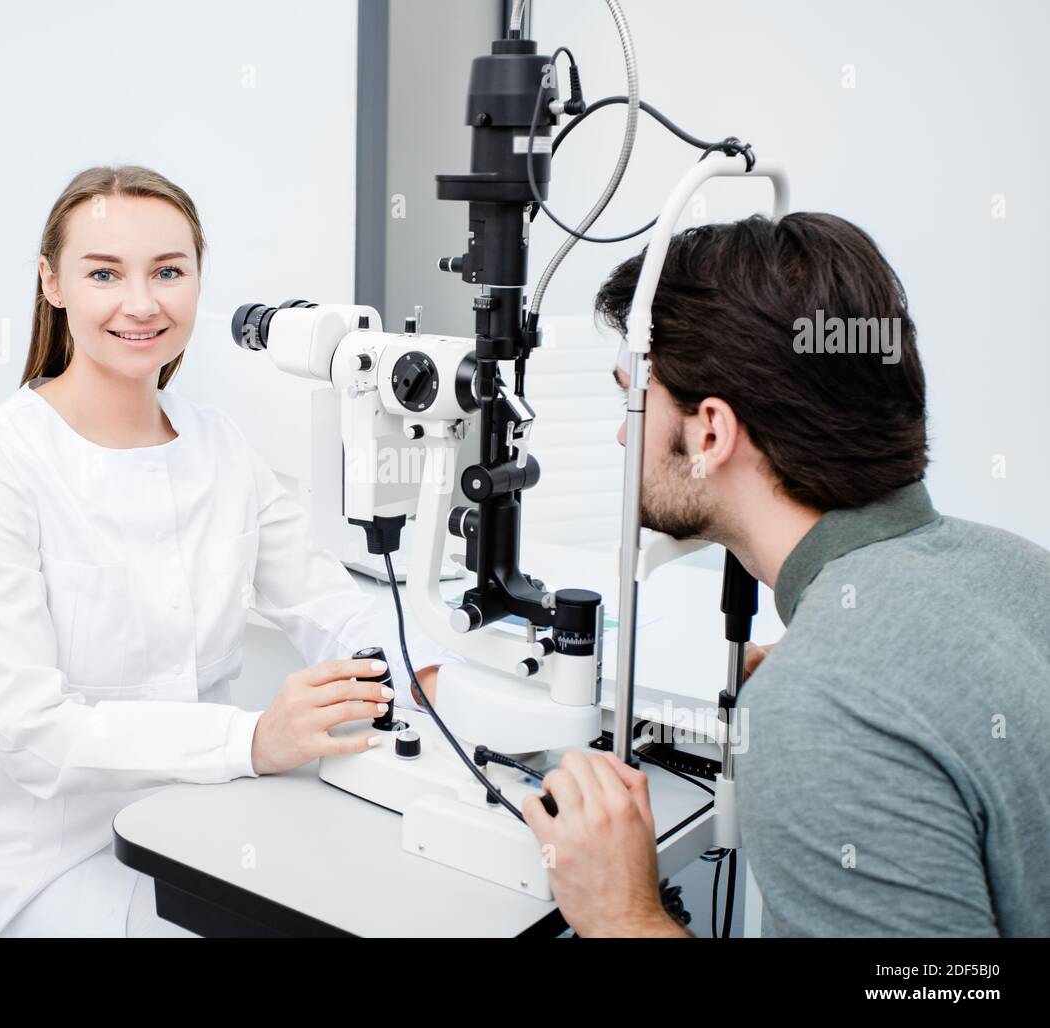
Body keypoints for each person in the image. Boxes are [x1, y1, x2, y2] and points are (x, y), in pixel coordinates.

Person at [443, 213, 1050, 937]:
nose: (620, 432)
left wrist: (625, 916)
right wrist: (836, 672)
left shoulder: (820, 710)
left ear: (709, 432)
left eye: (631, 400)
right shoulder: (1017, 567)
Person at [0, 165, 443, 937]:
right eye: (103, 273)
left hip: (193, 821)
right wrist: (253, 739)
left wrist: (421, 672)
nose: (142, 303)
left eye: (168, 271)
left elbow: (322, 600)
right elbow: (33, 736)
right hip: (34, 862)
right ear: (51, 284)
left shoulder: (219, 445)